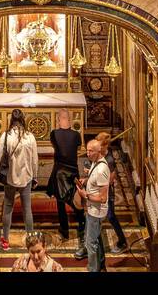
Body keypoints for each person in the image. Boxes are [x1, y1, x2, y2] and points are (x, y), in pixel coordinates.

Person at [0, 108, 38, 250]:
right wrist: (34, 176)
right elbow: (35, 160)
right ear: (23, 119)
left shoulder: (6, 136)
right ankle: (31, 239)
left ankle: (5, 240)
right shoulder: (30, 137)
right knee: (27, 209)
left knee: (8, 207)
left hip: (10, 178)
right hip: (26, 178)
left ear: (11, 121)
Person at [47, 110, 85, 246]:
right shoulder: (76, 135)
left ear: (58, 120)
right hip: (73, 170)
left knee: (60, 201)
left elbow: (56, 147)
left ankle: (64, 229)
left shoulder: (53, 134)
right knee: (77, 198)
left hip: (59, 171)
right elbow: (78, 149)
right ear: (70, 120)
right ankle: (81, 225)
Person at [78, 138, 110, 272]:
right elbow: (95, 180)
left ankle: (93, 269)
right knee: (97, 238)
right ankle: (101, 263)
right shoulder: (95, 162)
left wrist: (85, 195)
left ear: (99, 151)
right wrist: (85, 181)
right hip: (92, 209)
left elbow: (102, 198)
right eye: (87, 150)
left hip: (96, 212)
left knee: (90, 243)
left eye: (91, 151)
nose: (88, 153)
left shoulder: (101, 169)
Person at [95, 131, 130, 252]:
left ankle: (123, 242)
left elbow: (111, 178)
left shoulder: (109, 159)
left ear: (105, 146)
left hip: (107, 192)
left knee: (111, 216)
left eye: (100, 145)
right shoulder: (100, 155)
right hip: (99, 191)